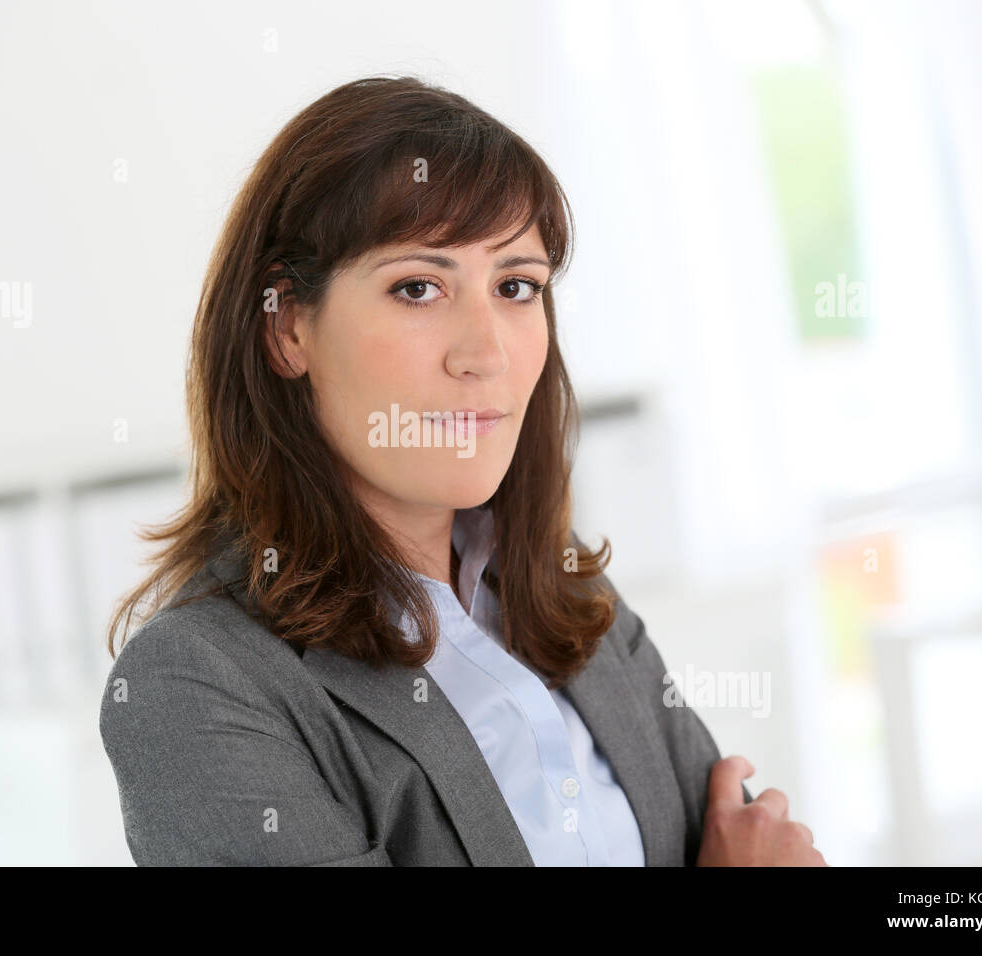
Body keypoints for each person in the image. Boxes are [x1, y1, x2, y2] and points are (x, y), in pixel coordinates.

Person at [98, 75, 825, 867]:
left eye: (517, 286)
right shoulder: (197, 686)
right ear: (287, 329)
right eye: (419, 288)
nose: (486, 353)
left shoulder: (562, 583)